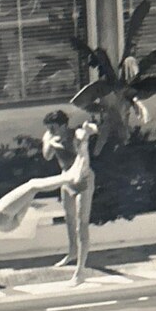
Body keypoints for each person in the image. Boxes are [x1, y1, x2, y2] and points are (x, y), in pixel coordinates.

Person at [0, 155, 87, 232]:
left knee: (33, 190)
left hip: (8, 223)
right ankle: (70, 176)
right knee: (32, 184)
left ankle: (70, 175)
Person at [41, 111, 98, 285]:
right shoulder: (51, 136)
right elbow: (47, 156)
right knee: (69, 219)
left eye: (54, 127)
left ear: (64, 126)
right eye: (49, 128)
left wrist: (89, 129)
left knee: (82, 224)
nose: (51, 130)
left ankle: (80, 272)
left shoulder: (75, 134)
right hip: (66, 178)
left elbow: (89, 131)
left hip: (83, 179)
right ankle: (73, 252)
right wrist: (49, 141)